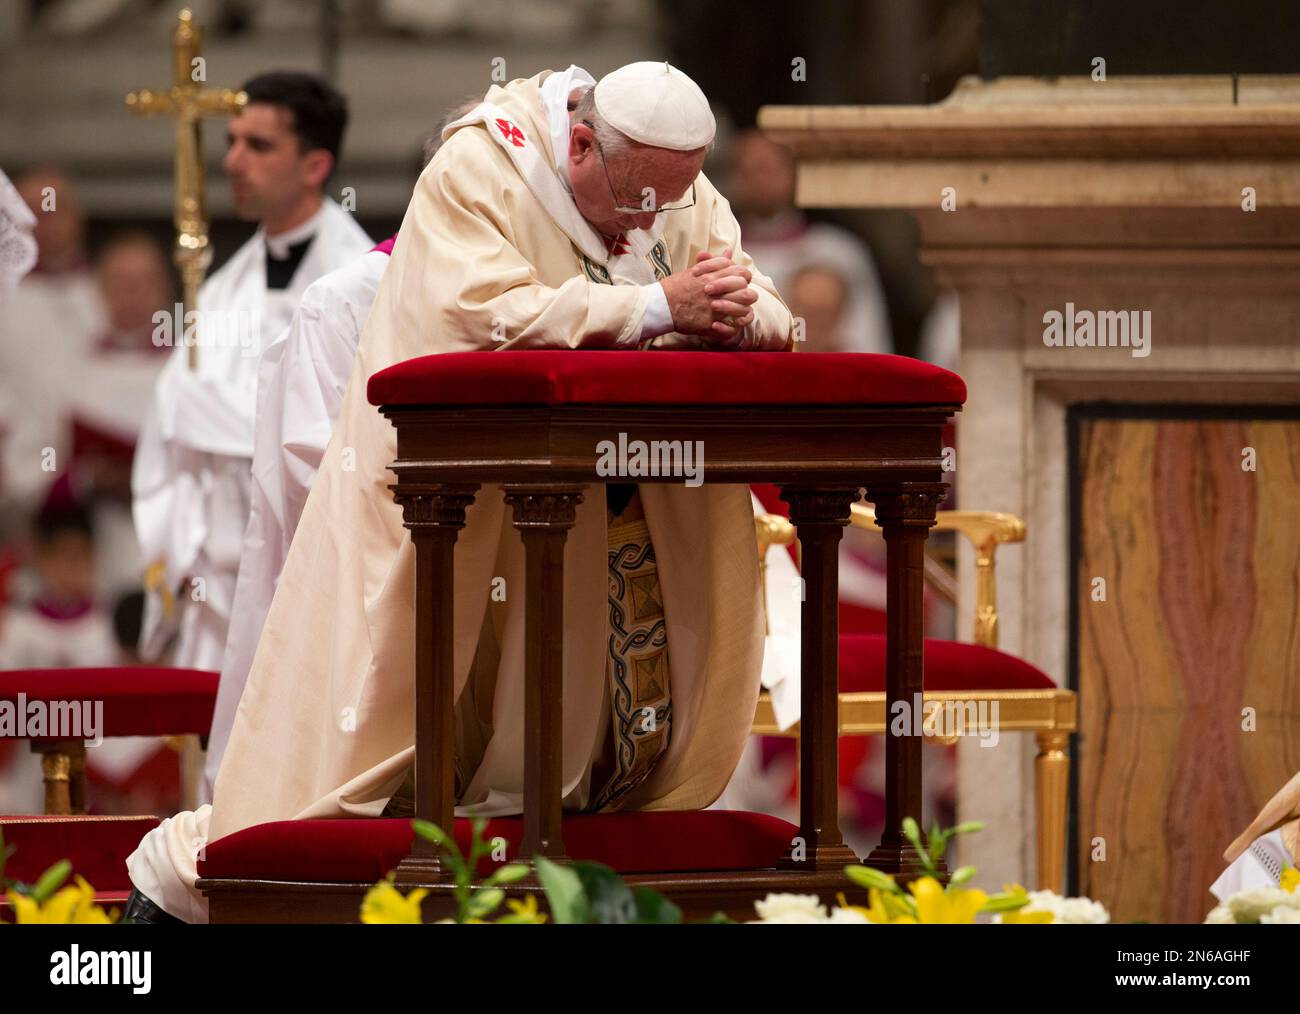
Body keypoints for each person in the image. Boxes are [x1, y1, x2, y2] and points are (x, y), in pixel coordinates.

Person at [125, 61, 792, 923]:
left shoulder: (671, 186)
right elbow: (484, 317)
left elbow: (754, 295)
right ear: (580, 144)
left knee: (568, 762)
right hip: (450, 511)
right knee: (364, 767)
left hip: (593, 512)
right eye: (637, 202)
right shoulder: (482, 167)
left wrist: (741, 312)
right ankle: (172, 898)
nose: (652, 224)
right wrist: (658, 306)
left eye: (674, 198)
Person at [130, 71, 372, 672]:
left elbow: (348, 430)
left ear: (315, 165)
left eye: (258, 146)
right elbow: (172, 429)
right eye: (231, 142)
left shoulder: (361, 279)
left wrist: (205, 412)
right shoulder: (217, 289)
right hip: (220, 565)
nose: (234, 161)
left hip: (311, 561)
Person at [726, 129, 891, 354]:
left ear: (793, 173)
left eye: (767, 169)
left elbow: (869, 346)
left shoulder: (839, 251)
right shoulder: (717, 251)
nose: (760, 181)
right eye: (748, 171)